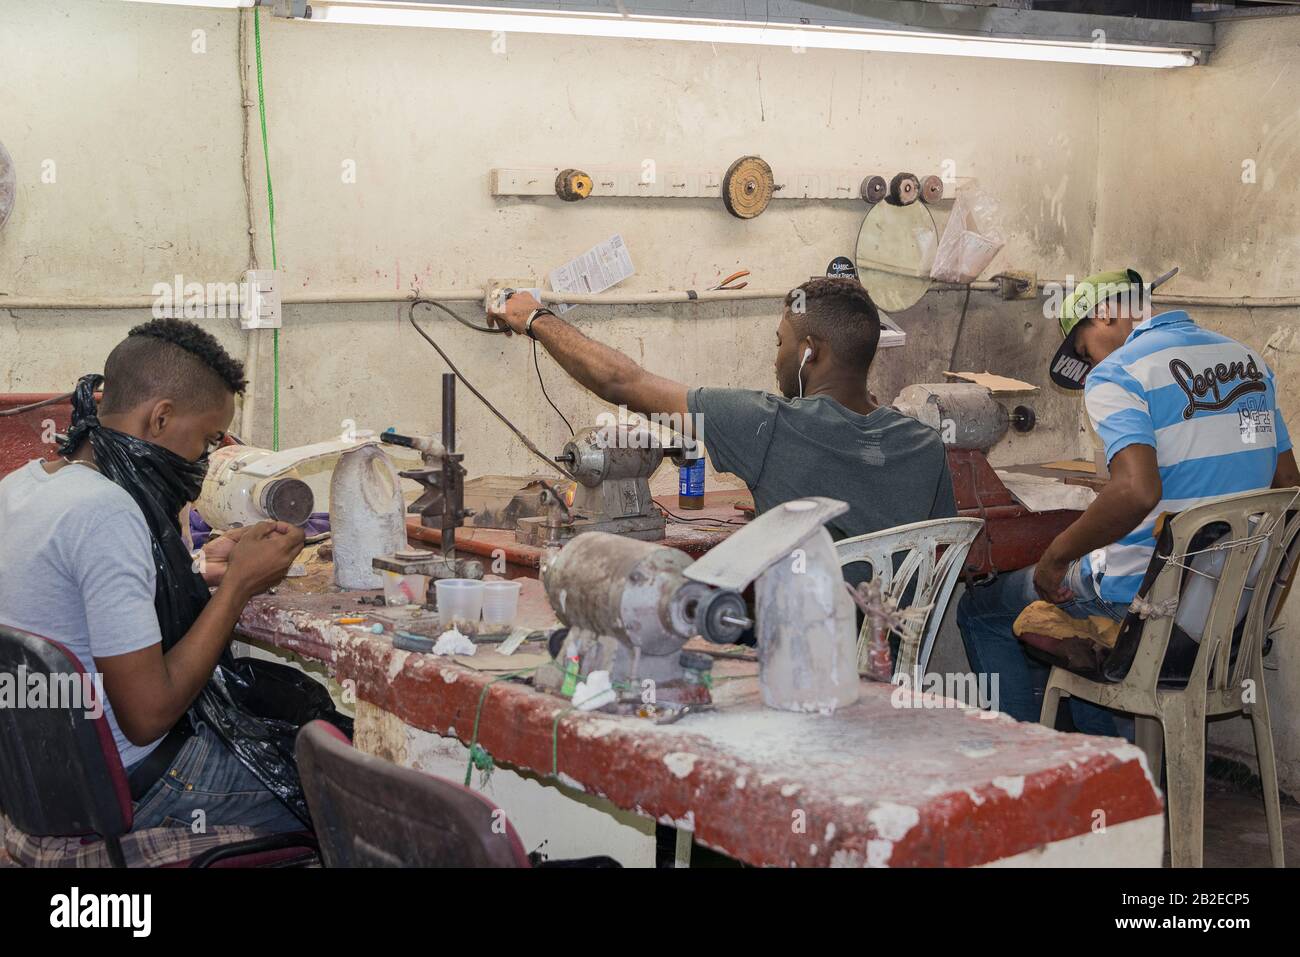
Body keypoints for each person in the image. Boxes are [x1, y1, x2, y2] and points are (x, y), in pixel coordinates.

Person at [958, 269, 1300, 735]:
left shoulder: (1118, 372)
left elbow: (1137, 491)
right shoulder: (1248, 361)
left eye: (1084, 349)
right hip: (1227, 612)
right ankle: (1113, 773)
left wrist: (1056, 559)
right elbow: (1288, 487)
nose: (1091, 363)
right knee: (1082, 625)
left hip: (1148, 602)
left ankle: (1026, 764)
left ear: (1103, 318)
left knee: (983, 608)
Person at [0, 318, 307, 833]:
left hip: (44, 784)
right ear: (160, 418)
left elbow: (76, 595)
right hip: (139, 783)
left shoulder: (19, 487)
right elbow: (147, 718)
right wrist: (237, 588)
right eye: (207, 438)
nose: (204, 458)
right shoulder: (107, 512)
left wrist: (197, 572)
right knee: (356, 786)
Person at [487, 277, 956, 582]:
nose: (776, 358)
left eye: (780, 344)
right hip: (885, 655)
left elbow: (620, 381)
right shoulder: (925, 443)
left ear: (810, 352)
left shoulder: (767, 424)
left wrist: (534, 318)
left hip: (796, 655)